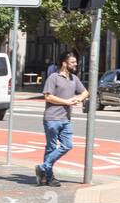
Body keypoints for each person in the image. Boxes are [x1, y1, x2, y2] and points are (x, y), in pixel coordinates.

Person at [37, 50, 88, 187]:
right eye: (72, 62)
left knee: (67, 145)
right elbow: (48, 97)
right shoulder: (54, 77)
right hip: (52, 118)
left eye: (75, 62)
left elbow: (85, 92)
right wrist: (67, 102)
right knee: (51, 147)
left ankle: (43, 167)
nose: (75, 64)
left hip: (65, 119)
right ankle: (48, 177)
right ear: (64, 64)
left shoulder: (73, 78)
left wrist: (78, 98)